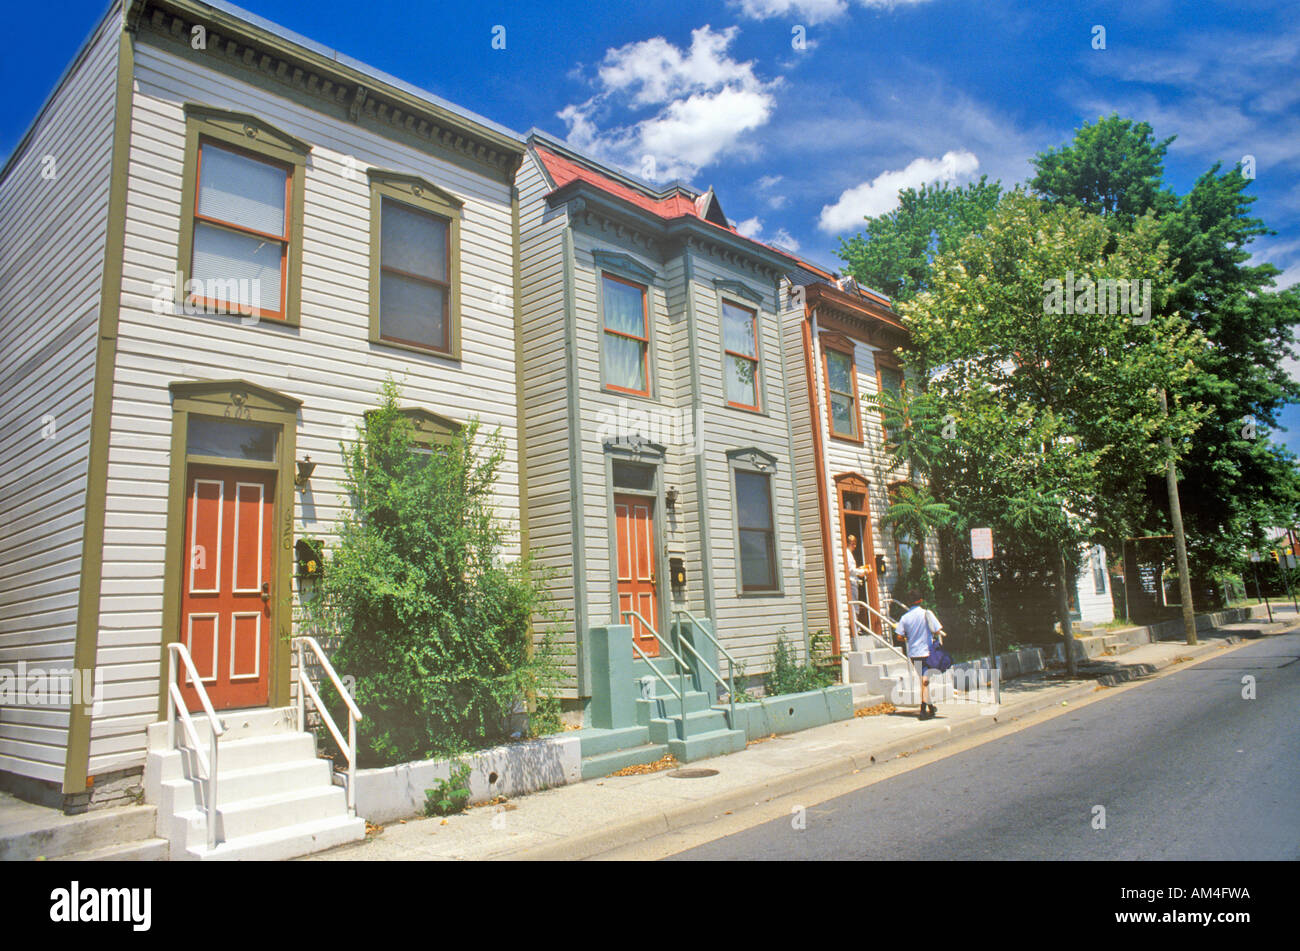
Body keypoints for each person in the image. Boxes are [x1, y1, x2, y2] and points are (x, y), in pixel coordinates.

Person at [894, 597, 944, 720]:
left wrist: (908, 637)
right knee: (925, 681)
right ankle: (923, 710)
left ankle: (931, 707)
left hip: (914, 653)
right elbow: (937, 630)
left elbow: (899, 636)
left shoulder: (905, 617)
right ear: (921, 600)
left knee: (924, 680)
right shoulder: (927, 613)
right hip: (927, 652)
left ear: (909, 602)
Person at [844, 534, 869, 631]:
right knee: (855, 606)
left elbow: (853, 570)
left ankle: (857, 628)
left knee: (856, 606)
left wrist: (859, 570)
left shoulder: (849, 554)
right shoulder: (847, 554)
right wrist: (862, 572)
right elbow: (851, 570)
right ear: (848, 543)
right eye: (852, 544)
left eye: (855, 544)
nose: (854, 546)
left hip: (854, 581)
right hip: (851, 582)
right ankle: (857, 629)